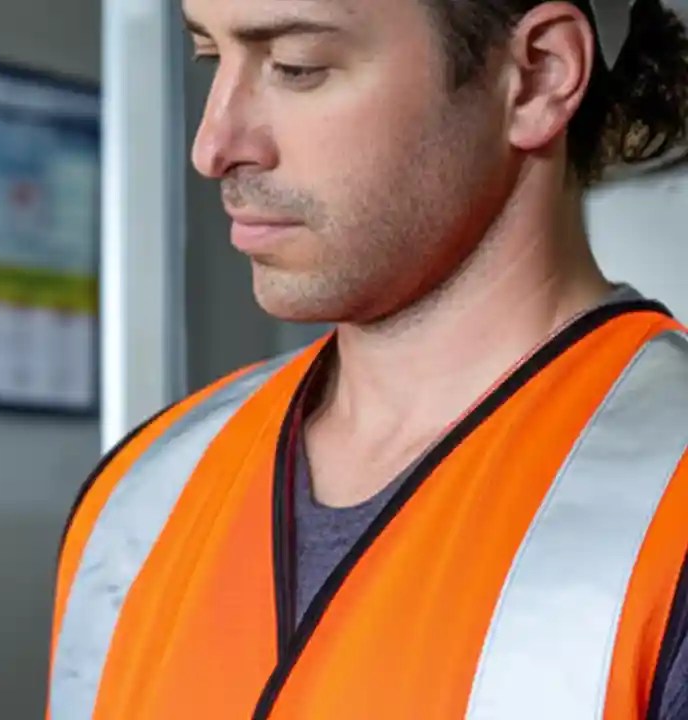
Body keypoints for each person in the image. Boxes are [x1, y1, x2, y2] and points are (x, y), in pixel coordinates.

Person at [49, 0, 688, 718]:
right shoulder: (139, 499)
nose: (213, 146)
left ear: (537, 77)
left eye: (297, 68)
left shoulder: (669, 503)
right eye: (210, 58)